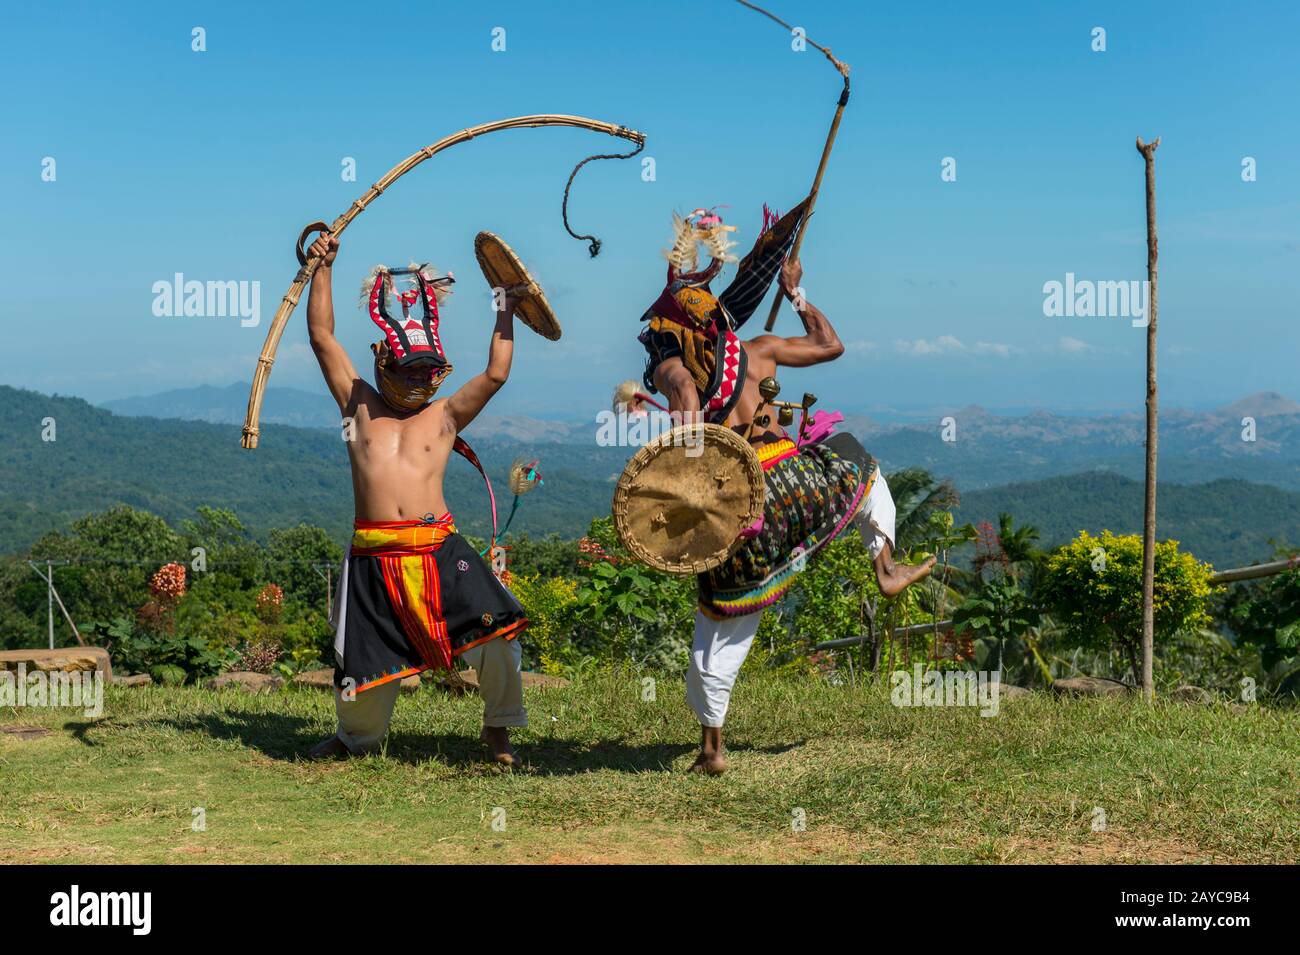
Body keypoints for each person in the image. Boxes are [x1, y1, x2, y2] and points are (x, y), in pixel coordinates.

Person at [638, 206, 935, 774]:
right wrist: (796, 292)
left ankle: (712, 748)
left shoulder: (673, 370)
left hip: (744, 511)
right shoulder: (757, 350)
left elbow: (688, 409)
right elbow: (830, 345)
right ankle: (886, 566)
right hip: (800, 488)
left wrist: (685, 483)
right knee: (858, 461)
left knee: (718, 627)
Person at [302, 231, 529, 767]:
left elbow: (496, 373)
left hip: (439, 547)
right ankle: (355, 738)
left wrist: (505, 307)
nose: (416, 380)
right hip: (373, 555)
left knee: (497, 636)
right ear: (382, 359)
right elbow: (320, 334)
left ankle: (499, 729)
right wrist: (323, 267)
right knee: (362, 664)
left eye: (425, 372)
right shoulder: (357, 404)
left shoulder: (446, 415)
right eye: (407, 370)